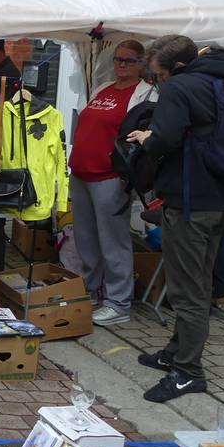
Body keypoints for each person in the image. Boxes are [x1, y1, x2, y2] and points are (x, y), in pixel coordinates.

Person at [127, 35, 224, 403]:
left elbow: (164, 141)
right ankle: (175, 352)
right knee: (199, 283)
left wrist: (147, 138)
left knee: (187, 292)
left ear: (175, 68)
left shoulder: (180, 87)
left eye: (158, 76)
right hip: (220, 200)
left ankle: (188, 372)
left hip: (189, 203)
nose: (157, 82)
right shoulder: (223, 81)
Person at [69, 41, 156, 326]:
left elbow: (142, 139)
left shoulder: (146, 93)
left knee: (113, 241)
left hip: (109, 176)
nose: (121, 65)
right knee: (85, 239)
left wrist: (127, 176)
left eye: (129, 60)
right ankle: (91, 290)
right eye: (118, 59)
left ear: (141, 63)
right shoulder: (103, 88)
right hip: (81, 173)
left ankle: (118, 302)